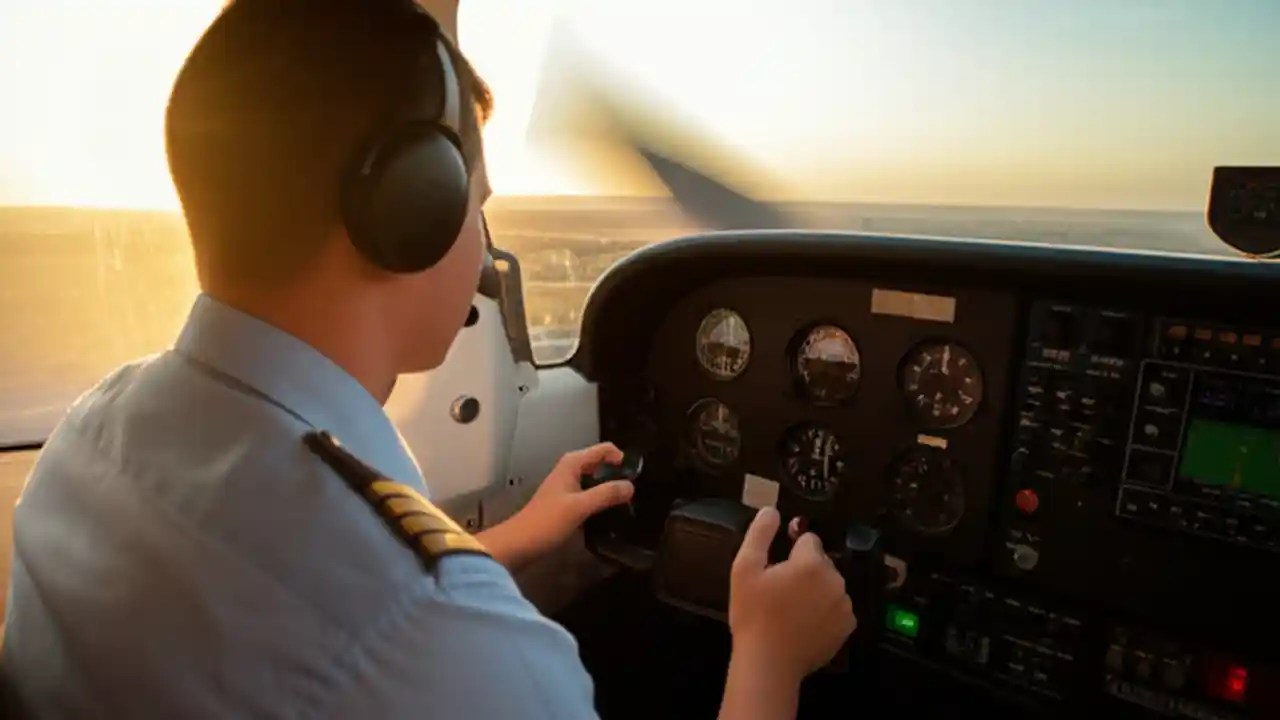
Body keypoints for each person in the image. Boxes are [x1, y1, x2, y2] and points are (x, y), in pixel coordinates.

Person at [0, 1, 855, 717]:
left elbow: (312, 587)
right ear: (408, 212)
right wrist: (770, 658)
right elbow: (380, 612)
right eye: (475, 208)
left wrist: (502, 542)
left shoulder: (90, 438)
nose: (483, 255)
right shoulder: (448, 645)